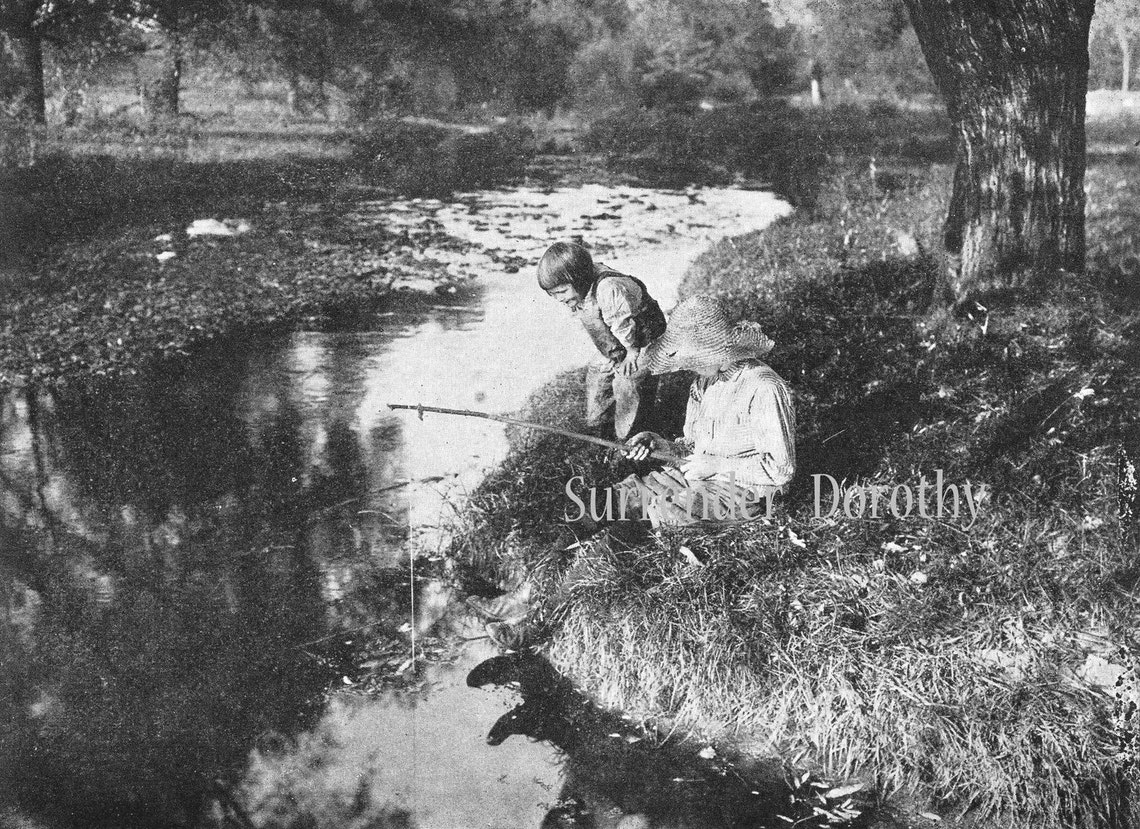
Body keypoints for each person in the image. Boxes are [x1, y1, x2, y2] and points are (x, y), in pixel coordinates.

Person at [619, 294, 795, 526]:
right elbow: (692, 449)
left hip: (743, 489)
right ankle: (567, 549)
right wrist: (659, 445)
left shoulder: (763, 387)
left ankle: (611, 549)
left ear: (714, 352)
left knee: (668, 510)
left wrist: (718, 465)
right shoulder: (702, 384)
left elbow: (781, 469)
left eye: (690, 359)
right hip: (699, 477)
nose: (684, 365)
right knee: (625, 494)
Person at [538, 242, 666, 440]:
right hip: (619, 340)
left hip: (644, 341)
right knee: (597, 375)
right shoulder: (582, 285)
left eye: (562, 292)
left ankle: (630, 436)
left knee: (627, 382)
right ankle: (600, 429)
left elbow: (623, 325)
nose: (559, 299)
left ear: (579, 279)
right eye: (552, 294)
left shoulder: (608, 288)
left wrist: (631, 352)